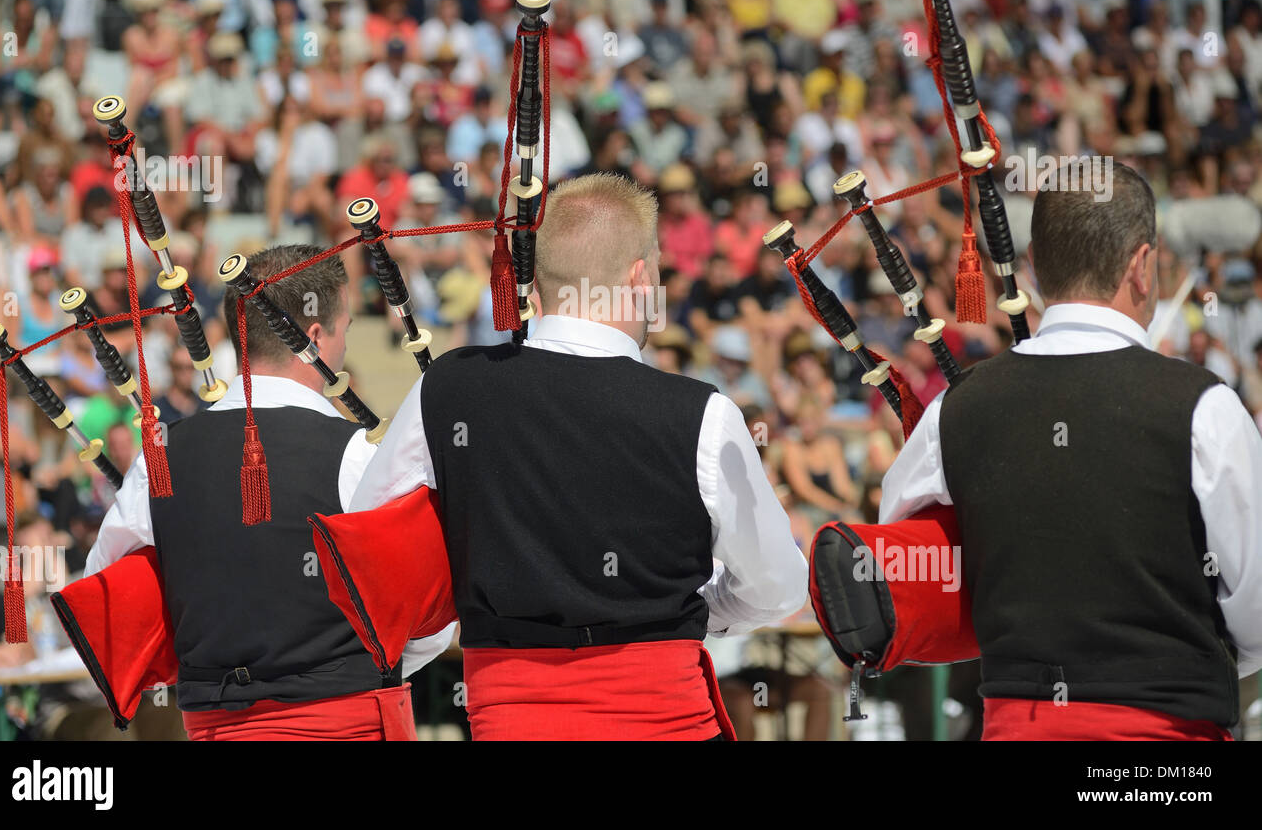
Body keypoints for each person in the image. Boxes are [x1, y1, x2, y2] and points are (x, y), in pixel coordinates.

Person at [350, 173, 808, 740]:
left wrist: (441, 633)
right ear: (639, 275)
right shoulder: (703, 413)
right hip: (666, 717)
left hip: (509, 716)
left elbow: (373, 545)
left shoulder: (448, 388)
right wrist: (696, 610)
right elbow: (778, 585)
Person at [880, 163, 1262, 740]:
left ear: (1032, 264)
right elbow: (1256, 611)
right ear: (1142, 266)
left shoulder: (954, 412)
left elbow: (907, 566)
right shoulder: (1205, 407)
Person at [85, 245, 451, 740]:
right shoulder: (358, 455)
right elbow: (429, 616)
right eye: (344, 330)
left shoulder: (159, 459)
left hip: (215, 726)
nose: (344, 346)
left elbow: (108, 598)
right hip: (348, 722)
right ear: (315, 335)